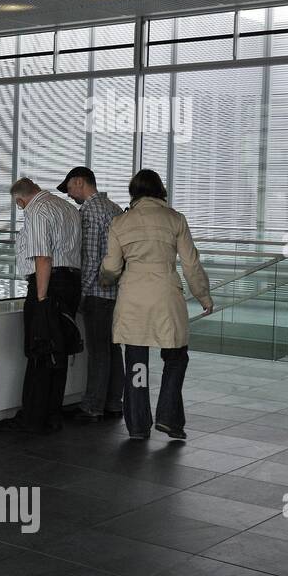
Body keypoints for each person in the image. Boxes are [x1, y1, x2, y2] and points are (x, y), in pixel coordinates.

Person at [99, 169, 213, 441]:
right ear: (160, 190)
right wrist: (203, 296)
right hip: (166, 296)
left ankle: (138, 426)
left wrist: (104, 279)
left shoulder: (120, 222)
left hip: (133, 298)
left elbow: (112, 266)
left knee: (137, 362)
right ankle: (167, 416)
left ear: (133, 192)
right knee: (175, 357)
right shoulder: (175, 219)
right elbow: (191, 263)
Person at [0, 178, 82, 434]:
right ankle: (52, 415)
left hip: (48, 285)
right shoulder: (66, 207)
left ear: (20, 201)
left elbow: (43, 257)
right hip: (71, 284)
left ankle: (32, 419)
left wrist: (41, 299)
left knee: (40, 350)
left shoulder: (37, 210)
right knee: (59, 351)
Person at [58, 166, 124, 422]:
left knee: (98, 351)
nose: (70, 195)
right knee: (112, 348)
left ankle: (92, 406)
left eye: (70, 189)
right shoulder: (114, 208)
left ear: (80, 182)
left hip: (97, 291)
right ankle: (113, 402)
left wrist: (82, 294)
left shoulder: (89, 212)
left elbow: (90, 257)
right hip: (116, 290)